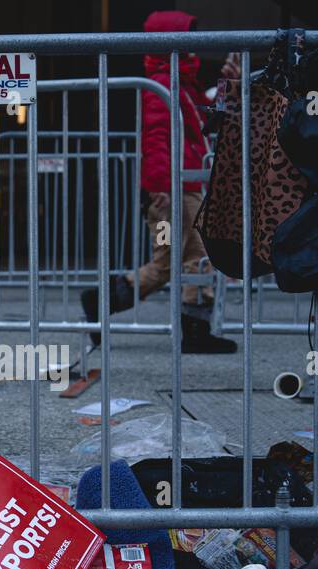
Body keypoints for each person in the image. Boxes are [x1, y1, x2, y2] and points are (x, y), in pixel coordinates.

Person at [81, 10, 238, 354]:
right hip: (176, 191)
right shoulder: (163, 85)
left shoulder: (177, 84)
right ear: (174, 43)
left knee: (173, 261)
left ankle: (102, 300)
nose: (195, 49)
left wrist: (228, 85)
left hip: (180, 188)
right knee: (193, 257)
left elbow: (208, 119)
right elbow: (155, 139)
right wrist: (160, 188)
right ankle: (194, 331)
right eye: (189, 41)